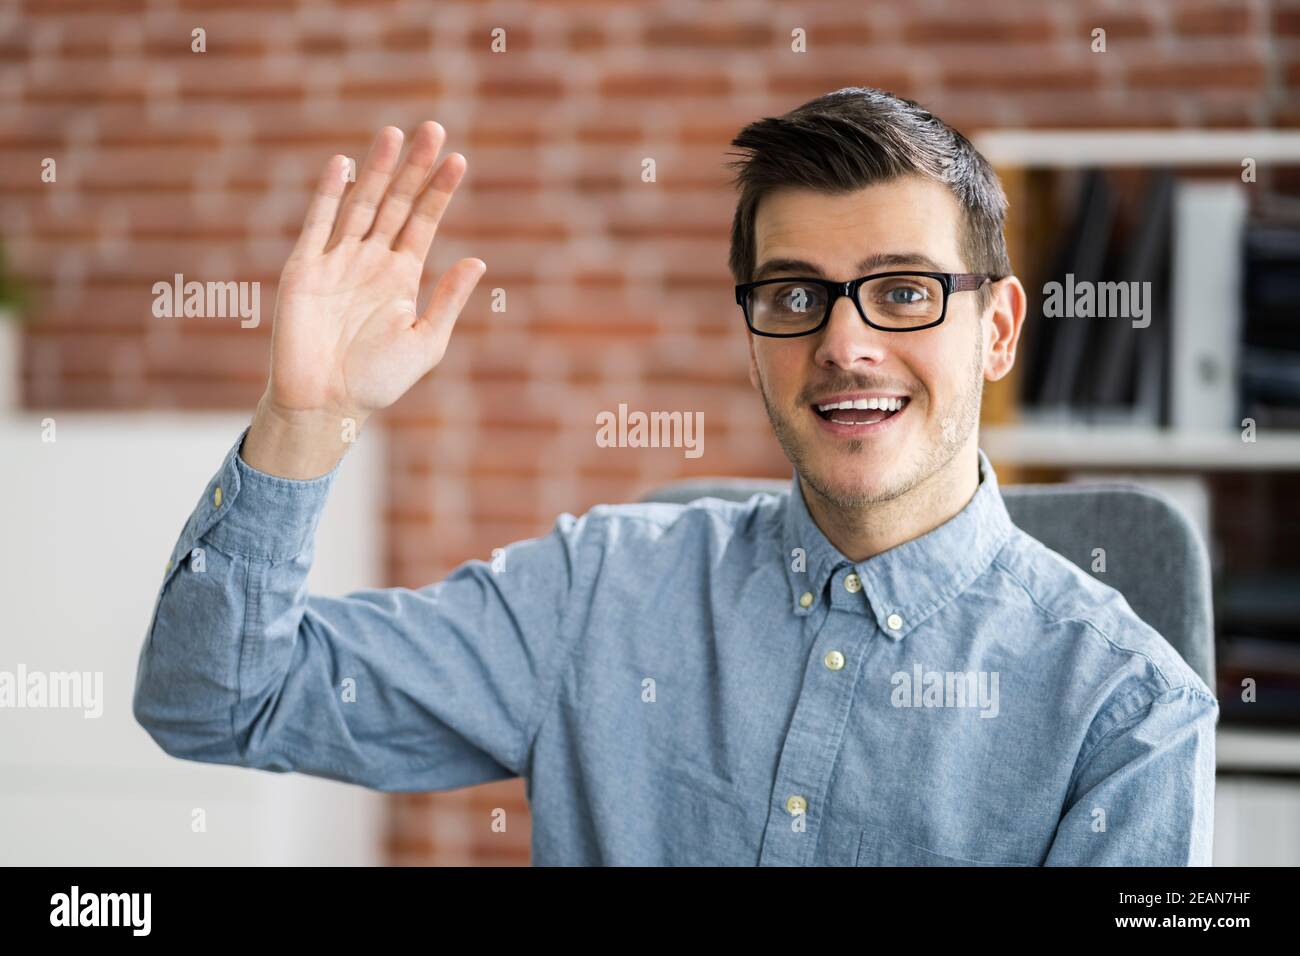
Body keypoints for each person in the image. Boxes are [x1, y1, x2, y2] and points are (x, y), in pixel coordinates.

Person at [133, 88, 1218, 866]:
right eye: (794, 295)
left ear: (998, 330)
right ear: (752, 330)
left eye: (900, 292)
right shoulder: (598, 590)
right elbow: (217, 700)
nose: (843, 344)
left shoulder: (1128, 713)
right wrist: (305, 418)